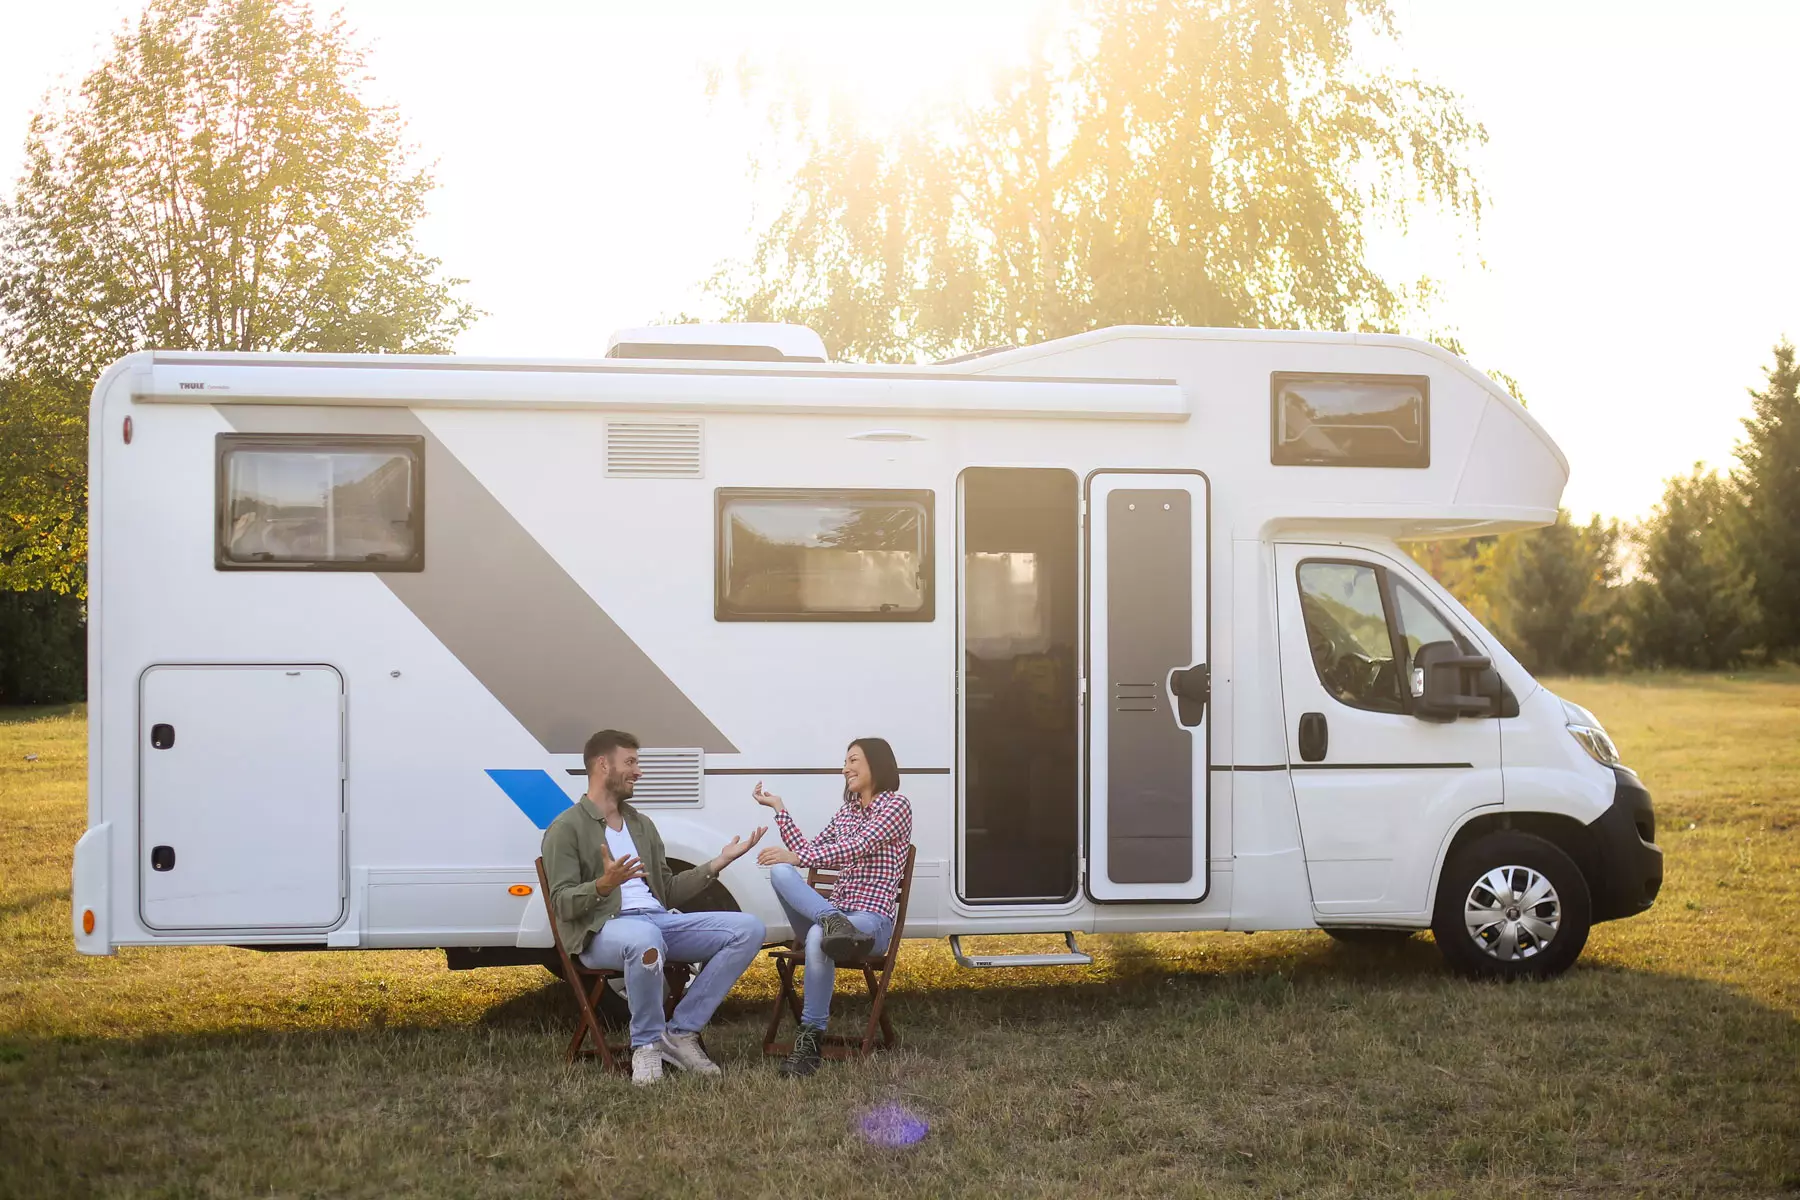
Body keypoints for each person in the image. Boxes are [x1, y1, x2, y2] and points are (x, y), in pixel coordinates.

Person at [543, 729, 768, 1086]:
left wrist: (717, 864)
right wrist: (603, 884)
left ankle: (680, 1032)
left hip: (657, 922)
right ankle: (646, 1045)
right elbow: (563, 904)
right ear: (603, 765)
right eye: (630, 762)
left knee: (749, 929)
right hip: (604, 930)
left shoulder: (641, 825)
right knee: (644, 937)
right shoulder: (565, 828)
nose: (639, 771)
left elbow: (669, 892)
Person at [753, 737, 913, 1079]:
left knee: (815, 938)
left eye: (853, 760)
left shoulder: (896, 806)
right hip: (839, 917)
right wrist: (780, 810)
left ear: (877, 763)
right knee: (781, 870)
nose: (845, 769)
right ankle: (832, 921)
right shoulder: (846, 812)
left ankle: (809, 1041)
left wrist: (798, 857)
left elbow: (859, 846)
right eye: (845, 762)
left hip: (871, 923)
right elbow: (811, 849)